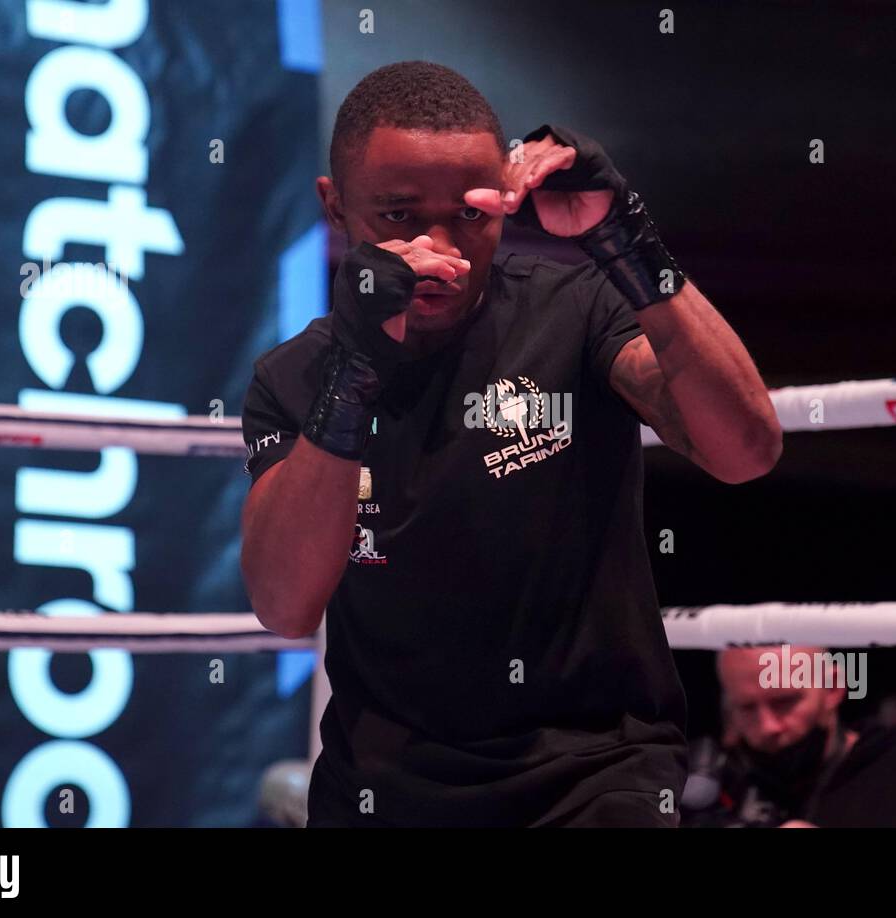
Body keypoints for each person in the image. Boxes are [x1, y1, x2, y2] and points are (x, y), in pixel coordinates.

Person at [239, 61, 781, 827]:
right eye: (397, 215)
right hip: (384, 787)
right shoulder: (295, 377)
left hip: (592, 769)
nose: (440, 248)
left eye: (470, 215)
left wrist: (628, 241)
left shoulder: (576, 309)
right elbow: (285, 605)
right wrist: (356, 371)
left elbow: (747, 450)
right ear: (335, 205)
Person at [681, 646, 896, 827]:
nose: (768, 727)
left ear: (832, 689)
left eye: (785, 702)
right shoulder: (708, 780)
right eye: (747, 707)